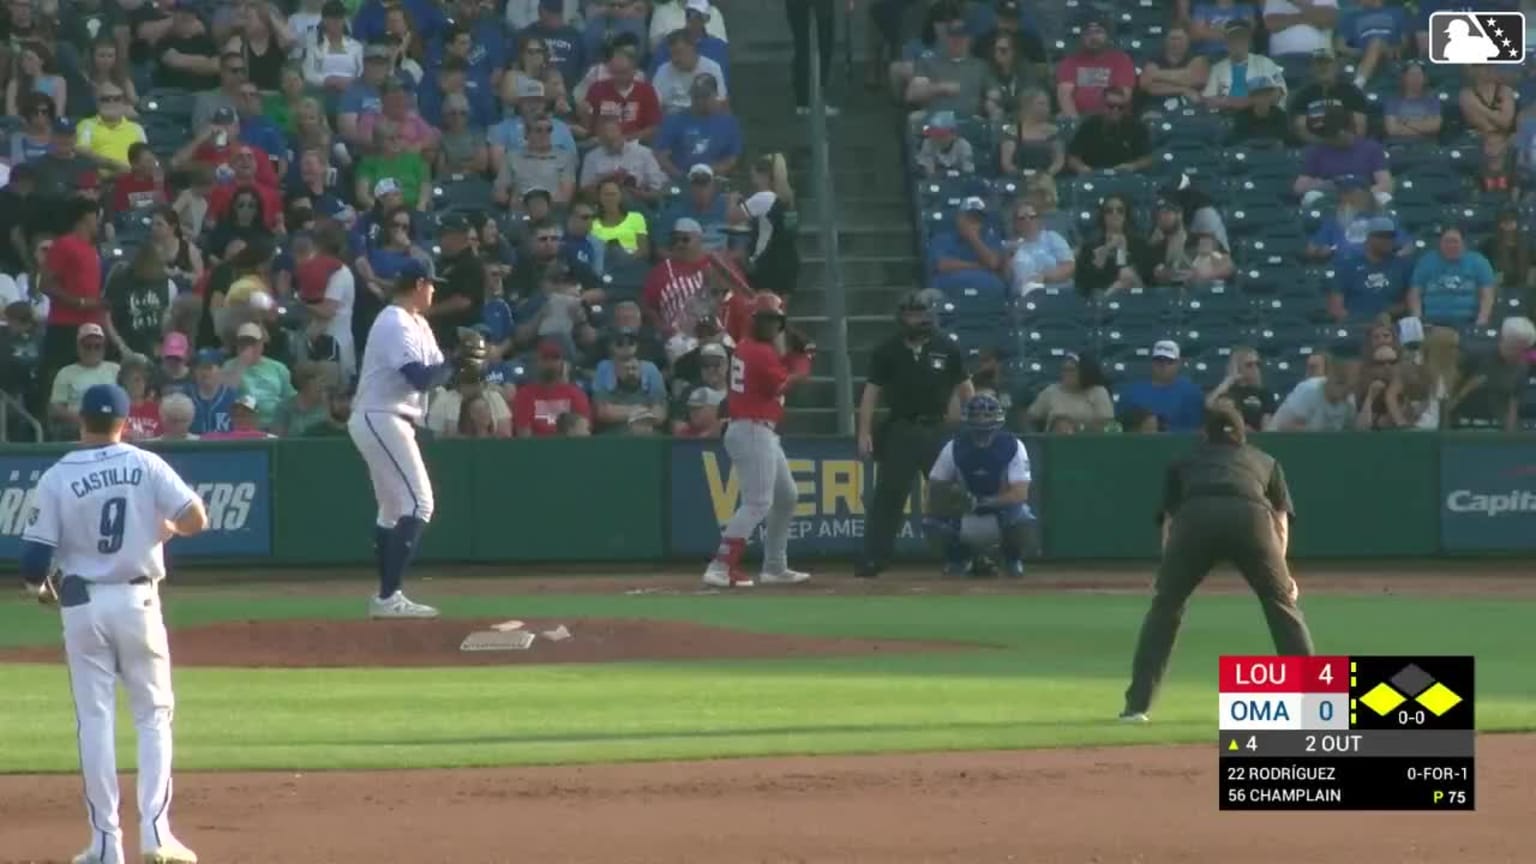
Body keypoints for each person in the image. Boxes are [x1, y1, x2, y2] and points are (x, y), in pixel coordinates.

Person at [19, 383, 209, 864]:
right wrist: (163, 528)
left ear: (81, 421)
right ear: (125, 422)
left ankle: (106, 844)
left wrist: (41, 592)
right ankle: (156, 835)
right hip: (139, 601)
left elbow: (33, 563)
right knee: (153, 717)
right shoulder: (146, 464)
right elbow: (196, 518)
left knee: (95, 722)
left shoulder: (59, 475)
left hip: (82, 607)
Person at [1119, 402, 1315, 723]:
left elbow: (1171, 521)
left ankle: (1137, 707)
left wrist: (1169, 574)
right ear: (1243, 435)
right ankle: (1313, 702)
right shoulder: (1264, 460)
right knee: (1282, 606)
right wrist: (1283, 576)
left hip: (1197, 518)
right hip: (1250, 518)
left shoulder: (1184, 460)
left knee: (1166, 608)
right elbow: (1280, 520)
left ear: (1204, 434)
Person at [349, 262, 486, 619]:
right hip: (382, 415)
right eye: (432, 285)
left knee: (393, 509)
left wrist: (463, 366)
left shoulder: (419, 323)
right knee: (420, 503)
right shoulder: (393, 320)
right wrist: (456, 361)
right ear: (420, 284)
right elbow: (420, 379)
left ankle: (385, 597)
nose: (434, 292)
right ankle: (388, 596)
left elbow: (441, 373)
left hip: (391, 417)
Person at [855, 292, 973, 579]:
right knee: (889, 496)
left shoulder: (946, 347)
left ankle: (961, 556)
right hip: (901, 428)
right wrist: (864, 432)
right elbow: (871, 394)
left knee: (950, 495)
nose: (913, 320)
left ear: (929, 316)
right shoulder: (888, 350)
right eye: (908, 314)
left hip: (937, 429)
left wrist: (973, 425)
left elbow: (965, 387)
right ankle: (874, 558)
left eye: (918, 314)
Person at [702, 293, 814, 588]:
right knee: (758, 502)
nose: (769, 325)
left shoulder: (751, 348)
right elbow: (788, 381)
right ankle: (720, 566)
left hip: (758, 430)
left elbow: (778, 367)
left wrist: (792, 354)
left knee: (786, 496)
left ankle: (775, 567)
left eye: (774, 320)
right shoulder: (759, 352)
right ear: (754, 321)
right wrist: (804, 359)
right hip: (752, 429)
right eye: (764, 320)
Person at [923, 394, 1037, 579]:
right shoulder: (954, 447)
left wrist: (984, 502)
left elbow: (1020, 493)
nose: (982, 421)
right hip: (964, 514)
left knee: (1023, 519)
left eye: (987, 415)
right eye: (977, 415)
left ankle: (1011, 559)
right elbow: (935, 486)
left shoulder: (1013, 446)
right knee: (931, 522)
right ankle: (958, 559)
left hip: (1000, 514)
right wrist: (952, 497)